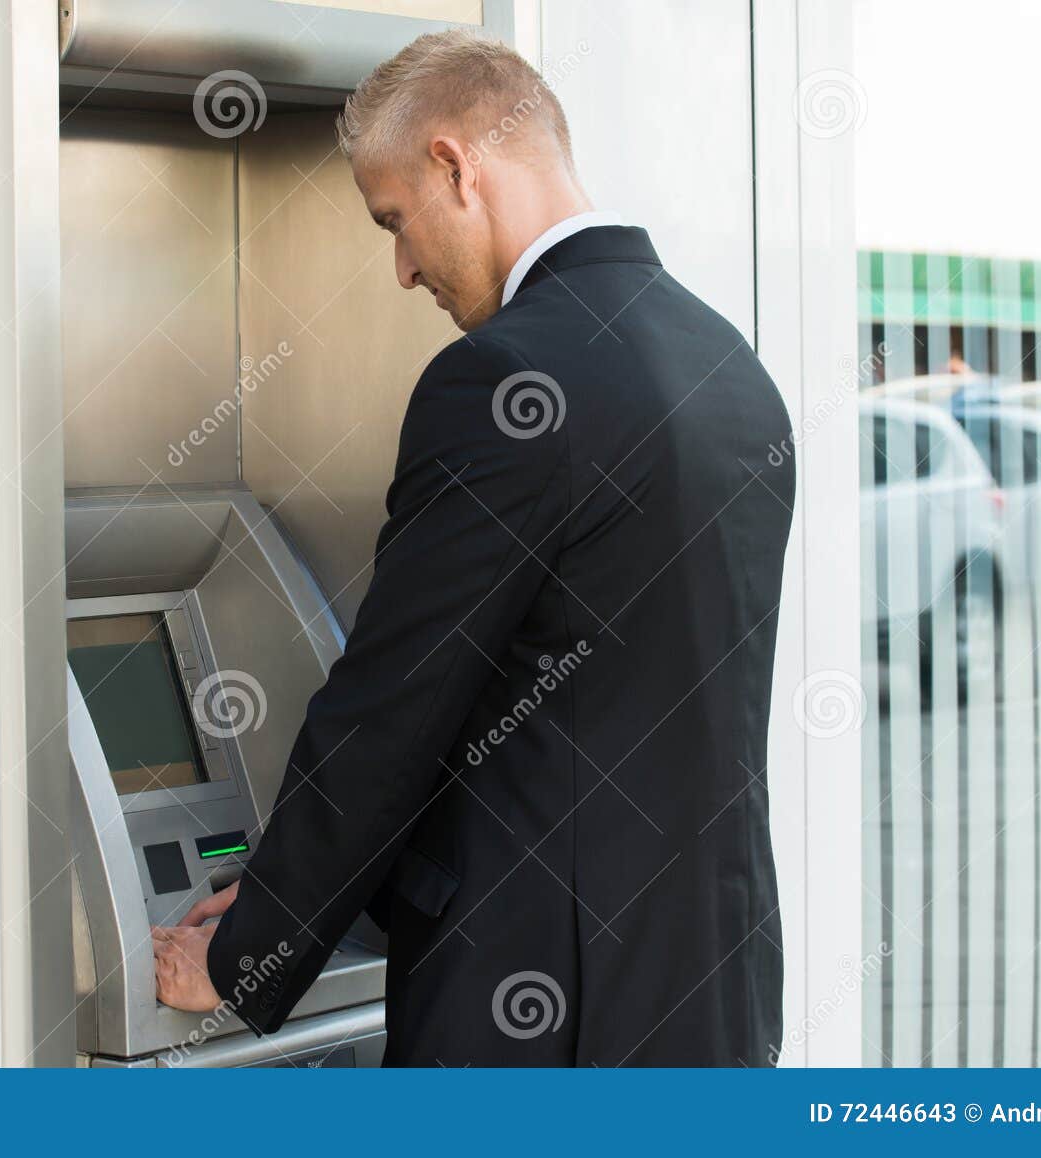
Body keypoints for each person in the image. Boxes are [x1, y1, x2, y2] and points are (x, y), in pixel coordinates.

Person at [151, 28, 794, 1066]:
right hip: (709, 983)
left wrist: (246, 955)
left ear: (455, 165)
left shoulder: (503, 381)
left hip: (539, 1006)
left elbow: (393, 706)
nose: (402, 269)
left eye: (395, 220)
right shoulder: (724, 361)